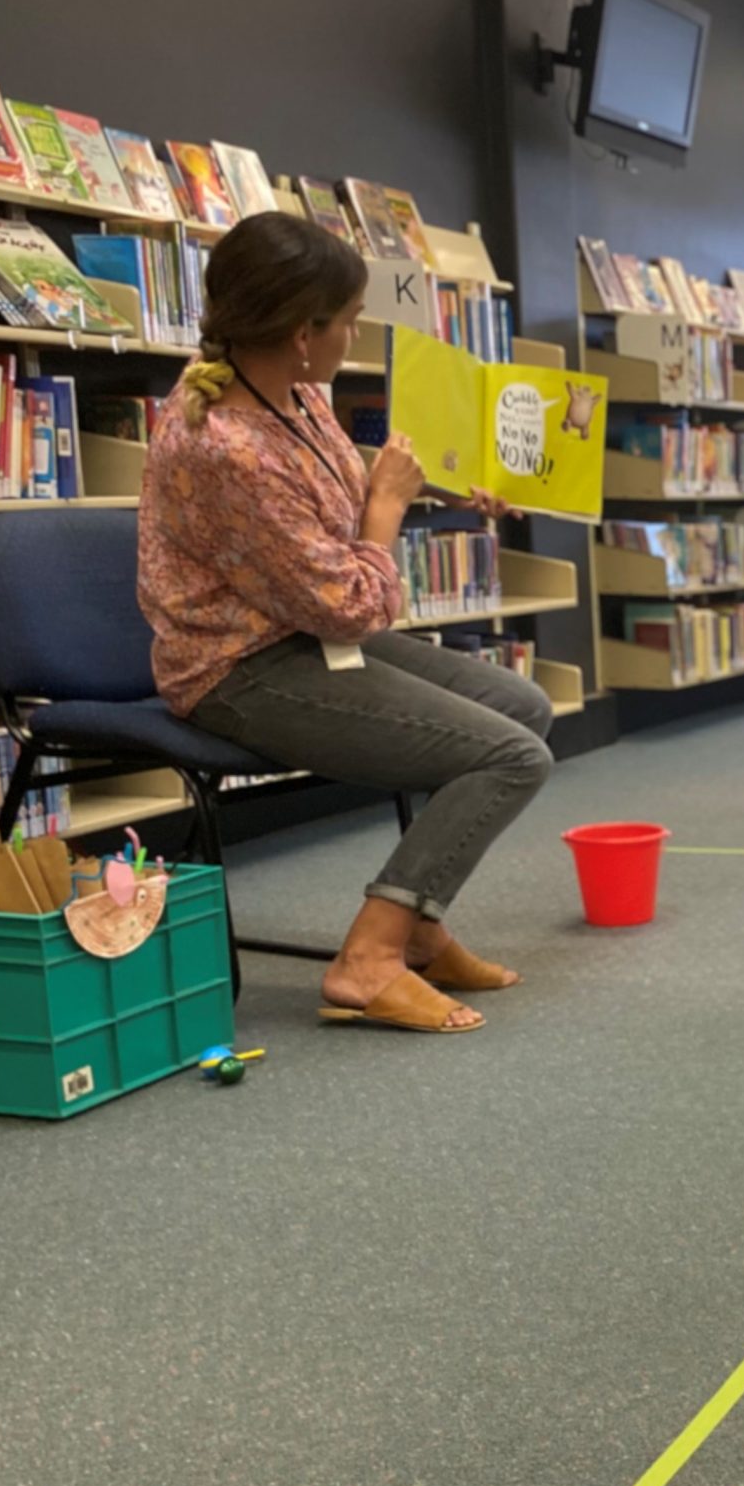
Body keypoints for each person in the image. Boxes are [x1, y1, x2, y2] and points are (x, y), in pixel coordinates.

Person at [140, 213, 553, 1036]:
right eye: (350, 321)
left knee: (524, 710)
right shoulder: (225, 441)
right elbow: (356, 601)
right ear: (302, 333)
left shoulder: (289, 392)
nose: (355, 335)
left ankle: (423, 930)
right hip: (239, 669)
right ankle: (369, 959)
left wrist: (438, 485)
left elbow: (330, 517)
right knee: (513, 756)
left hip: (305, 634)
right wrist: (391, 508)